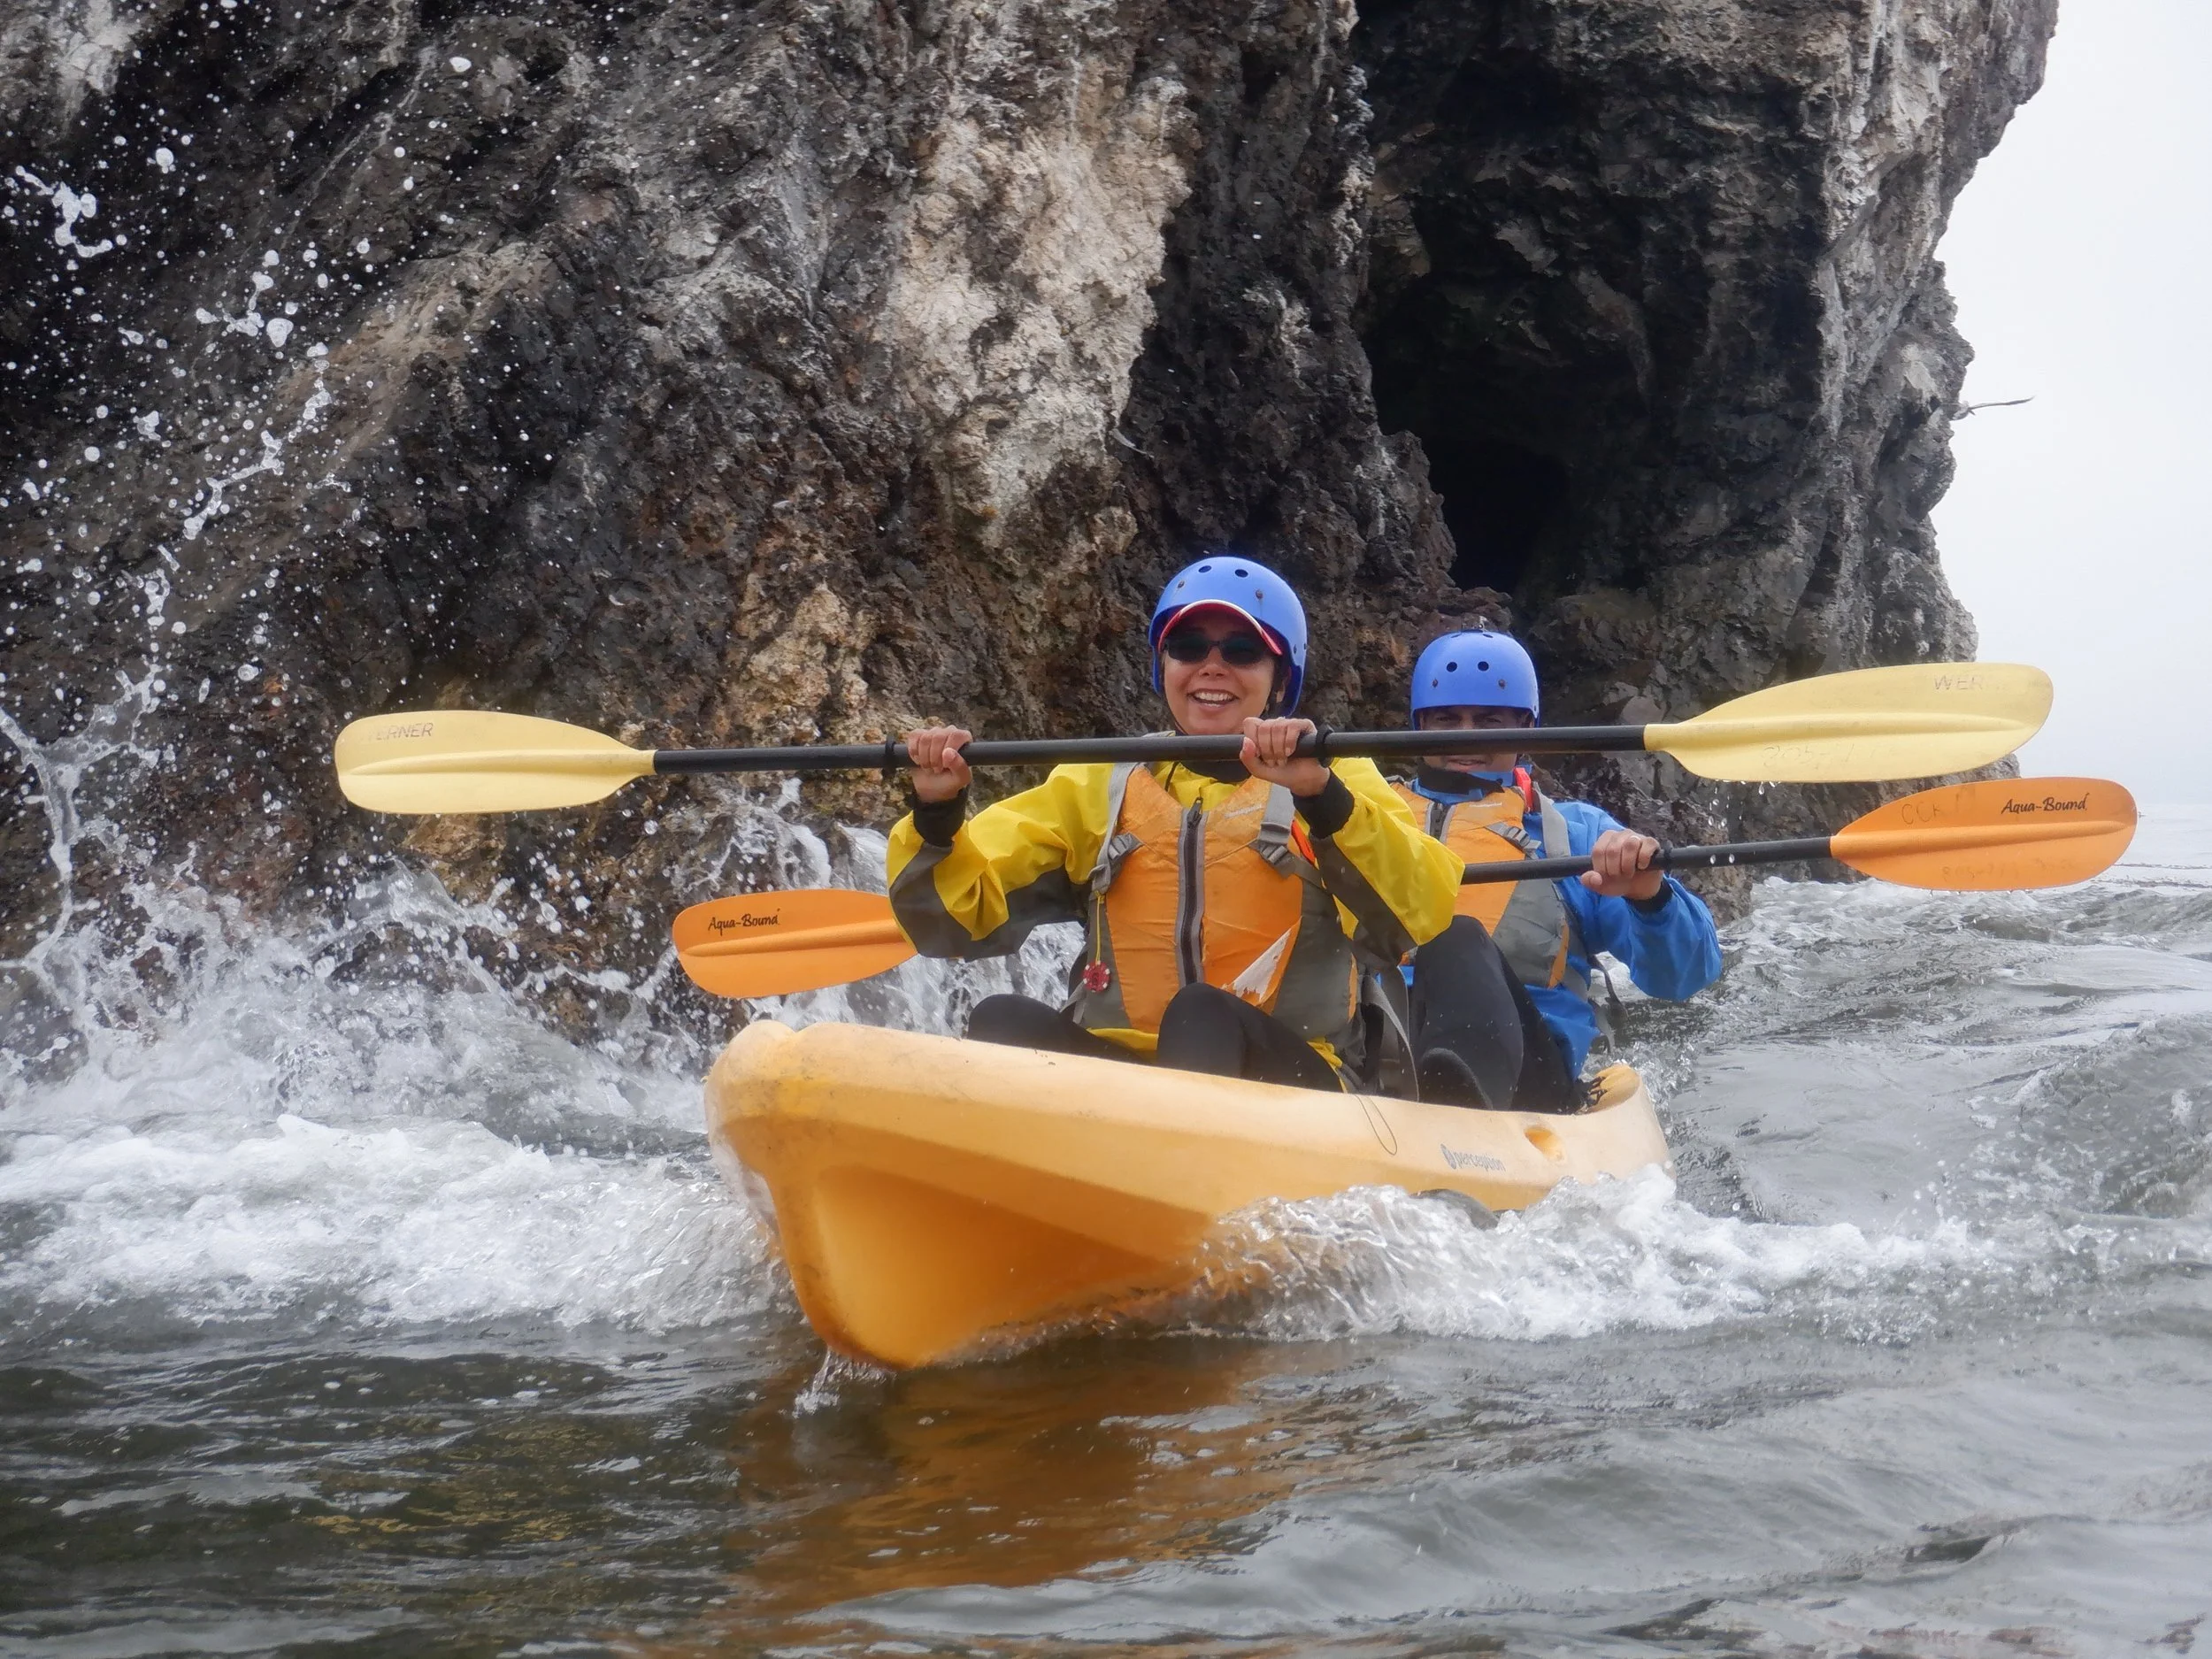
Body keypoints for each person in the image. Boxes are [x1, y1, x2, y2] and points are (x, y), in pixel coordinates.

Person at [886, 557, 1465, 1091]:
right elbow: (948, 926)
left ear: (1280, 679)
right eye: (1188, 647)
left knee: (1202, 1012)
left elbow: (1413, 918)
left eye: (1242, 650)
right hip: (1128, 1083)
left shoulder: (1335, 775)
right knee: (1002, 1019)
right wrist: (937, 813)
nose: (1212, 666)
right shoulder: (1096, 784)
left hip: (1294, 1082)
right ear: (1162, 666)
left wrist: (1322, 797)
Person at [1392, 629, 1724, 1113]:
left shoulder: (1574, 834)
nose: (1465, 735)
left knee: (1455, 937)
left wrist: (1649, 896)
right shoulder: (1366, 816)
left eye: (1489, 721)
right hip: (1378, 1046)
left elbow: (1684, 979)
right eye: (1447, 719)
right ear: (1420, 724)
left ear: (1526, 727)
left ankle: (1456, 1106)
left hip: (1525, 1077)